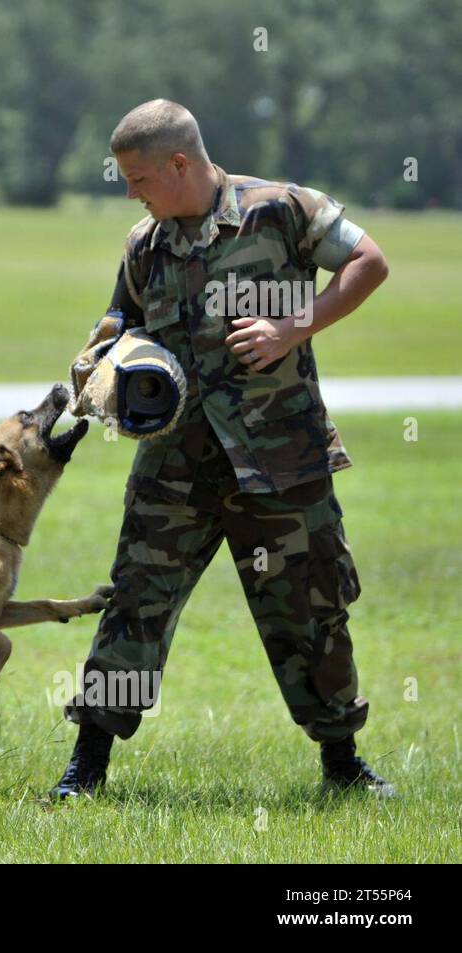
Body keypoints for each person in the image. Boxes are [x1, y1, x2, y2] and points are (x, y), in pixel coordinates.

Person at [55, 100, 394, 799]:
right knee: (136, 604)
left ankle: (343, 764)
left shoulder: (283, 210)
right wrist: (99, 355)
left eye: (138, 178)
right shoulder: (144, 243)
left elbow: (369, 261)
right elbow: (122, 317)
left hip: (281, 458)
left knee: (311, 610)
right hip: (175, 467)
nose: (130, 192)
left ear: (179, 163)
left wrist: (292, 328)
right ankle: (87, 767)